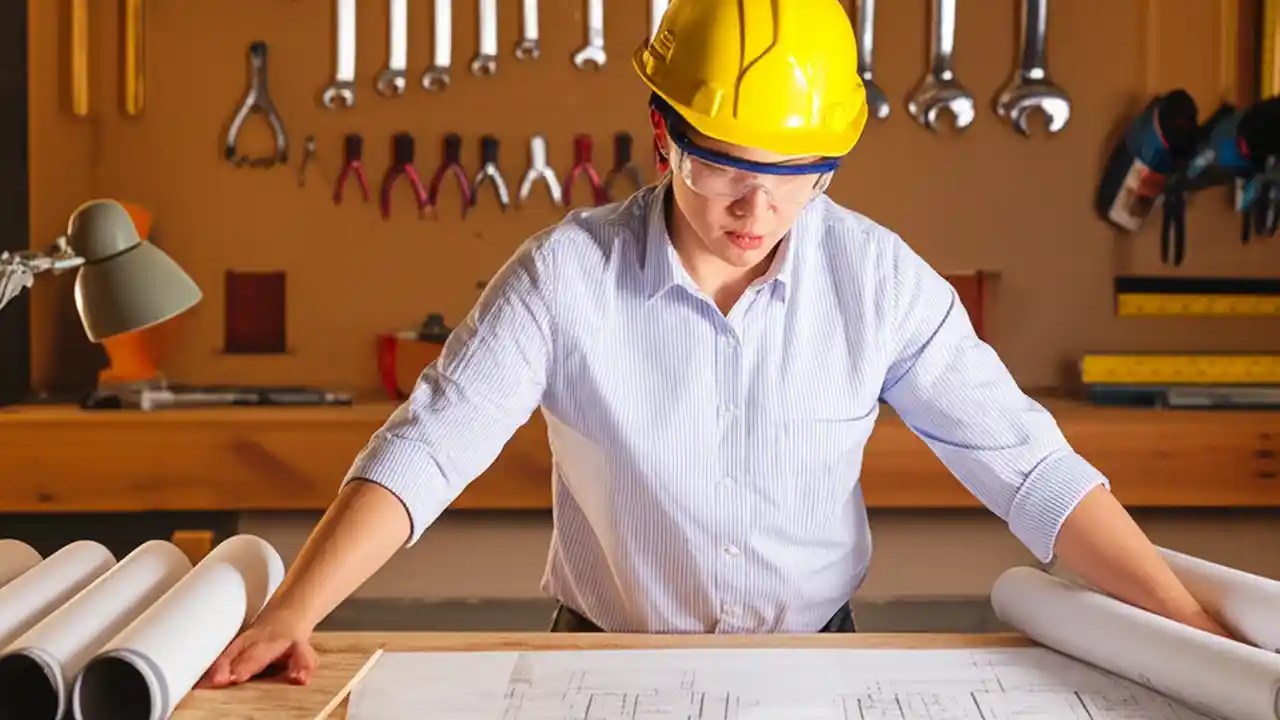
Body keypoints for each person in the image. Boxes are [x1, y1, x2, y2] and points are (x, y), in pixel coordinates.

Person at [198, 0, 1228, 689]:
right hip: (596, 665)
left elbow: (1027, 470)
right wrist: (294, 609)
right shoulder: (565, 272)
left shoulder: (873, 279)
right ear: (662, 134)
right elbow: (431, 445)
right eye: (721, 165)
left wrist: (1180, 614)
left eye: (798, 171)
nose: (757, 205)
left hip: (814, 667)